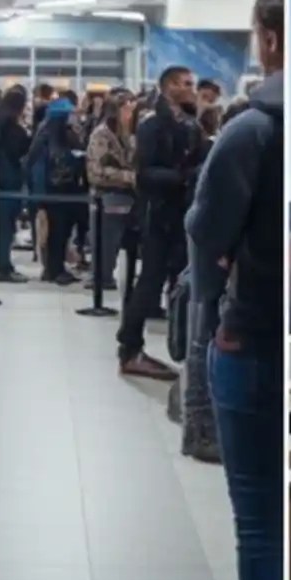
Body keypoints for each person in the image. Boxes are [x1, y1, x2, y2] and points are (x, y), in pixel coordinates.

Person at [185, 0, 285, 580]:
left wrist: (209, 300)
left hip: (250, 344)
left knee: (261, 524)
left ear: (269, 39)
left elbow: (206, 230)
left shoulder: (251, 129)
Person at [115, 66, 199, 381]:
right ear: (171, 86)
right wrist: (183, 178)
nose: (192, 88)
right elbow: (144, 174)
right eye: (187, 83)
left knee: (176, 285)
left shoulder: (188, 123)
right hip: (156, 216)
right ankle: (130, 348)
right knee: (148, 285)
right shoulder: (153, 125)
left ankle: (177, 348)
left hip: (178, 216)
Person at [26, 97, 82, 285]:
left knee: (60, 233)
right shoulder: (50, 138)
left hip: (59, 192)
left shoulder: (49, 134)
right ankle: (54, 268)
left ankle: (55, 267)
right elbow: (43, 168)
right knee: (56, 233)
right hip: (55, 193)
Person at [85, 92, 137, 290]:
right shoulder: (101, 134)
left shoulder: (126, 134)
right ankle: (100, 277)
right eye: (127, 109)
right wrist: (129, 177)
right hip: (106, 195)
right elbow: (97, 171)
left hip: (125, 197)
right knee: (105, 242)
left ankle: (106, 276)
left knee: (115, 242)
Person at [0, 88, 32, 284]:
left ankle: (5, 265)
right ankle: (3, 267)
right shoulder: (11, 126)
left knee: (6, 224)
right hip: (10, 176)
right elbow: (19, 149)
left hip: (4, 176)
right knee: (6, 225)